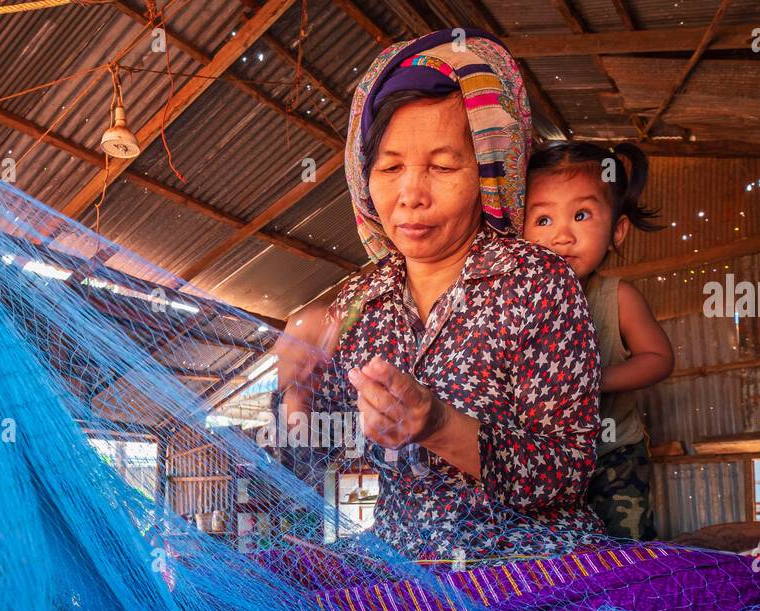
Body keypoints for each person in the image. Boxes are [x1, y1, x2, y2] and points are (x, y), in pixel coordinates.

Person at [275, 27, 603, 566]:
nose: (410, 195)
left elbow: (563, 474)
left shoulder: (538, 283)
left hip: (527, 562)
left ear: (488, 172)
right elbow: (309, 457)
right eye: (390, 167)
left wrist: (437, 425)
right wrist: (295, 393)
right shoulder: (359, 301)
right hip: (406, 563)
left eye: (443, 167)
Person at [524, 143, 674, 540]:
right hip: (545, 460)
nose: (561, 235)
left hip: (614, 456)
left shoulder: (617, 297)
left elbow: (659, 358)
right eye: (541, 219)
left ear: (617, 231)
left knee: (623, 551)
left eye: (581, 215)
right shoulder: (512, 305)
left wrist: (594, 380)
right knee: (560, 559)